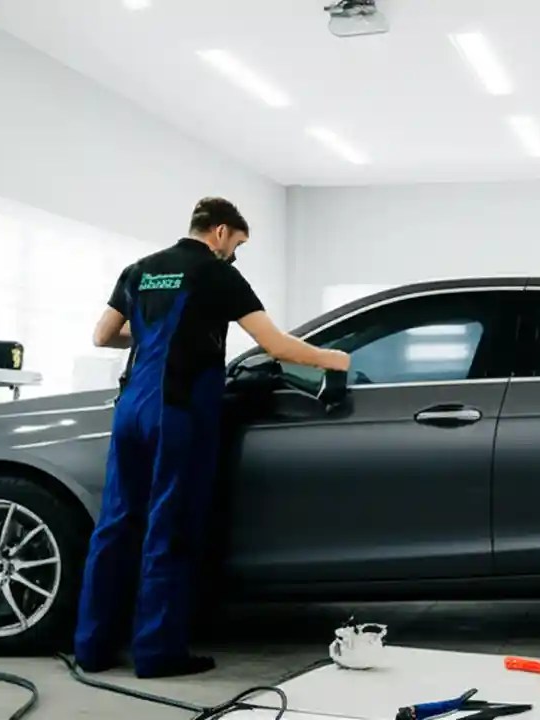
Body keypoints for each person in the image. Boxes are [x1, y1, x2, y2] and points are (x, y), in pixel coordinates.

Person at [74, 197, 349, 678]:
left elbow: (104, 336)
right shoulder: (217, 274)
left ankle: (92, 649)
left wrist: (157, 337)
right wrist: (333, 360)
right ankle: (158, 655)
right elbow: (276, 345)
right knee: (169, 528)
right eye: (238, 243)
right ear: (220, 232)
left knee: (115, 524)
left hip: (131, 408)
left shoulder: (139, 270)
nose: (236, 253)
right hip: (177, 410)